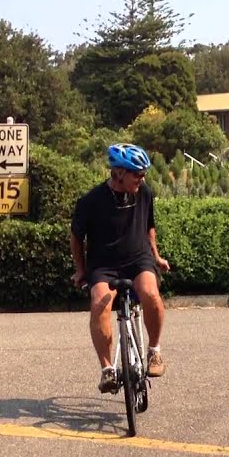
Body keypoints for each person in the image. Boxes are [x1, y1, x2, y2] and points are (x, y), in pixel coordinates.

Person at [70, 143, 170, 394]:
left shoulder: (144, 193)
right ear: (118, 173)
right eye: (137, 173)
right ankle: (107, 370)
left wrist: (156, 257)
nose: (142, 178)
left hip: (138, 259)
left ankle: (154, 352)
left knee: (151, 295)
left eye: (143, 173)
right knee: (99, 304)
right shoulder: (90, 201)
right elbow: (76, 237)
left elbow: (150, 227)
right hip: (103, 264)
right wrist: (80, 270)